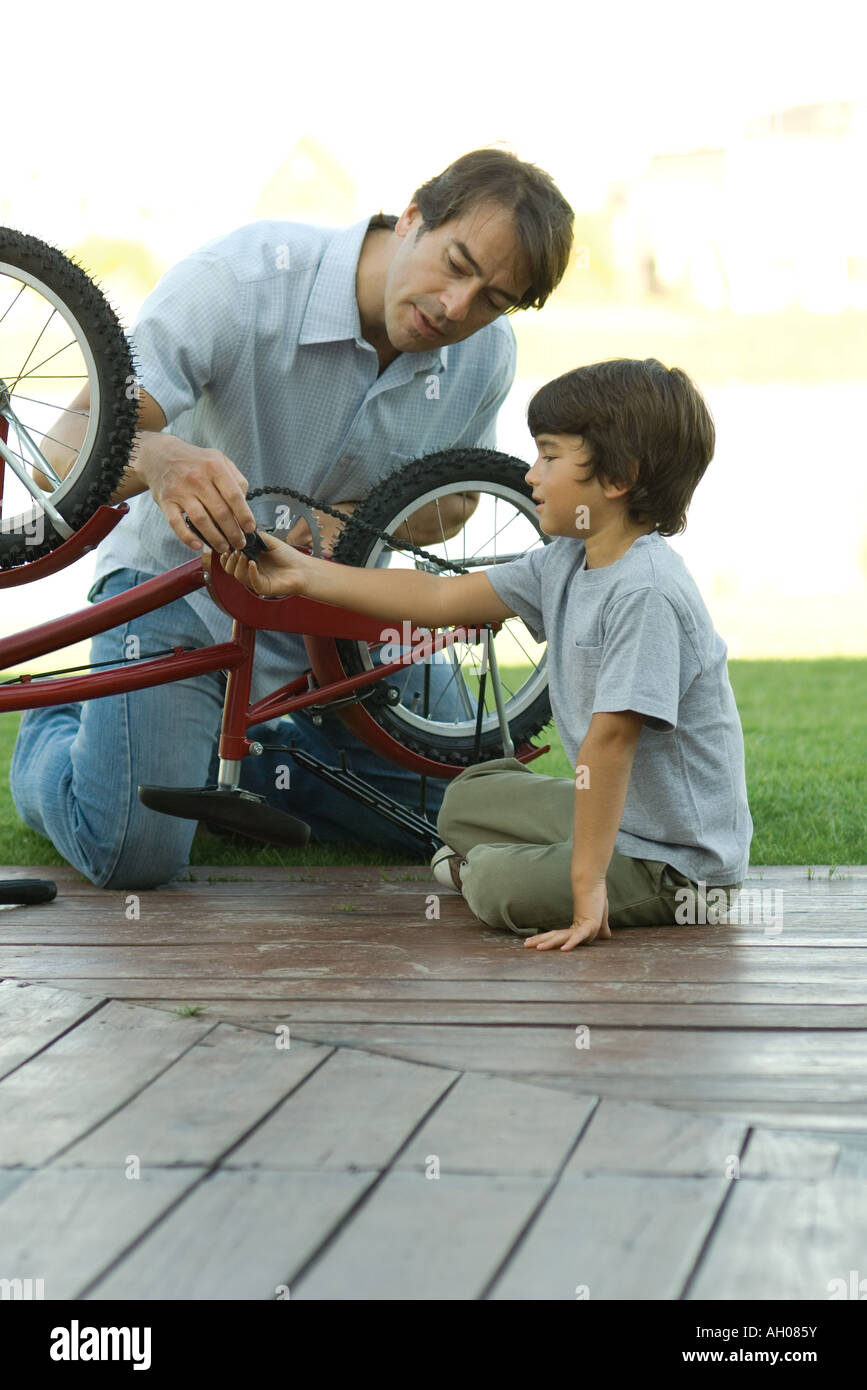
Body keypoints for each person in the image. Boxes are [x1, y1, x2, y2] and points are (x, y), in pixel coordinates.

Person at [10, 149, 574, 889]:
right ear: (410, 217)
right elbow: (63, 456)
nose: (456, 308)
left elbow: (461, 498)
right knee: (132, 856)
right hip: (179, 595)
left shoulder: (483, 353)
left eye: (494, 298)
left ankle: (255, 767)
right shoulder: (242, 281)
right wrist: (161, 460)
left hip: (340, 607)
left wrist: (366, 525)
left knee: (467, 812)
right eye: (456, 263)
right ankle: (55, 735)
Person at [219, 357, 753, 949]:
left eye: (550, 457)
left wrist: (585, 884)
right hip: (622, 818)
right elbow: (442, 596)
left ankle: (511, 871)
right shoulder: (566, 560)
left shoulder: (646, 591)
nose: (531, 475)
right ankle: (526, 861)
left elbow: (610, 743)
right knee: (469, 798)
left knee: (500, 885)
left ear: (618, 477)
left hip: (678, 867)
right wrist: (304, 575)